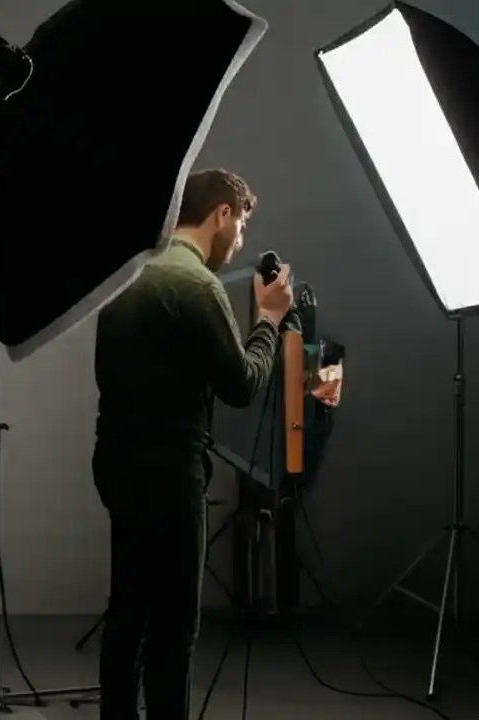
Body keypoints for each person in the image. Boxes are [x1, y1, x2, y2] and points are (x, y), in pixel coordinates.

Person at [90, 168, 290, 719]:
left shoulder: (128, 276)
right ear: (222, 214)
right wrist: (269, 319)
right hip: (171, 473)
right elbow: (244, 385)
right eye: (242, 226)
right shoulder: (197, 286)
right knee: (175, 625)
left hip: (115, 463)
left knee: (128, 609)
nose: (241, 241)